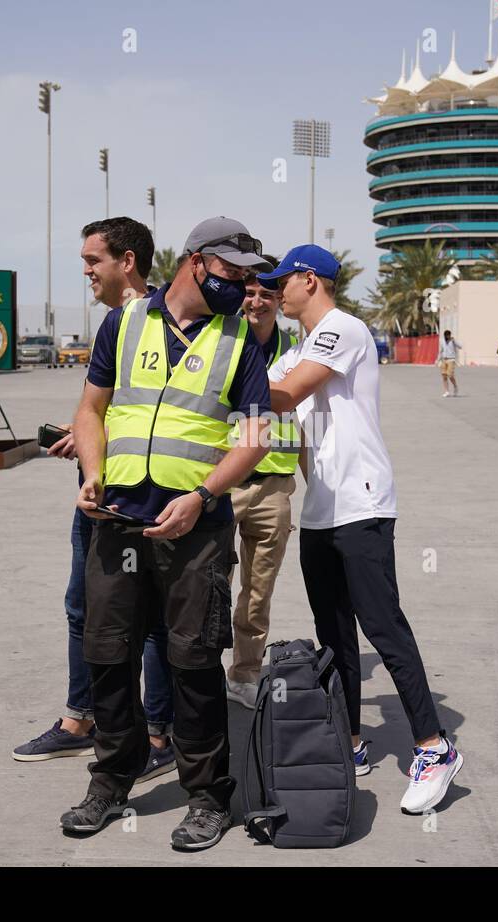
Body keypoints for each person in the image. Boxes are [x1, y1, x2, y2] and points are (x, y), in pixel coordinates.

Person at [59, 217, 272, 851]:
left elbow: (256, 438)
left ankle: (207, 795)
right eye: (231, 271)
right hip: (116, 522)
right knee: (107, 654)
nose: (241, 284)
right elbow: (91, 409)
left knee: (194, 660)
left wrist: (203, 497)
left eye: (247, 275)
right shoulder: (124, 323)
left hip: (195, 530)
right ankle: (111, 780)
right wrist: (92, 473)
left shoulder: (241, 340)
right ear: (194, 261)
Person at [264, 244, 463, 816]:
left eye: (282, 282)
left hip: (363, 503)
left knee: (382, 625)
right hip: (322, 510)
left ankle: (434, 747)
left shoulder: (341, 330)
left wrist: (222, 376)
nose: (276, 292)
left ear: (310, 279)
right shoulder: (297, 349)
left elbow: (283, 395)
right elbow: (269, 406)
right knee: (334, 635)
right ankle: (349, 741)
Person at [14, 217, 177, 787]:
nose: (85, 271)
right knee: (82, 607)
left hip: (145, 497)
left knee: (151, 622)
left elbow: (163, 416)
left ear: (126, 261)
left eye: (93, 261)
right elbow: (104, 408)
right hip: (99, 491)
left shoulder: (162, 322)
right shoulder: (116, 323)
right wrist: (82, 438)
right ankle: (80, 719)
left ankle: (158, 735)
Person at [223, 259, 302, 708]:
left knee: (258, 591)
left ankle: (245, 674)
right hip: (223, 482)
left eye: (266, 294)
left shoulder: (296, 351)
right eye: (249, 292)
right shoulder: (222, 340)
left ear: (278, 300)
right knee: (208, 585)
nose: (256, 301)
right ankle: (196, 673)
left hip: (274, 488)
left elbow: (307, 421)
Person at [437, 329, 461, 397]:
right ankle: (446, 391)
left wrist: (454, 341)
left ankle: (455, 387)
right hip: (444, 360)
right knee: (444, 376)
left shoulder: (452, 341)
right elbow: (440, 351)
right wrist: (438, 360)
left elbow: (460, 346)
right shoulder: (442, 341)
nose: (447, 336)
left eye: (448, 335)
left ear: (450, 335)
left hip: (451, 360)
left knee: (450, 375)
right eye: (446, 335)